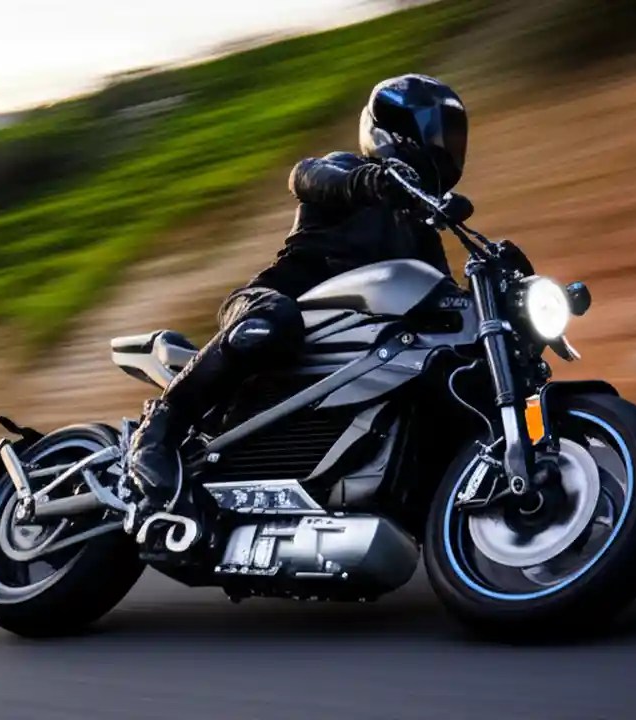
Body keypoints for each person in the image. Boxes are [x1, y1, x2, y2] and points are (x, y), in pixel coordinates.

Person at [126, 74, 470, 547]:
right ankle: (157, 432)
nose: (443, 144)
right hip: (269, 301)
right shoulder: (344, 173)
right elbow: (306, 176)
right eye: (435, 131)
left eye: (450, 134)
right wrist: (368, 180)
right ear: (395, 131)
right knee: (272, 325)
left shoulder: (420, 231)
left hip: (340, 341)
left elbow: (441, 296)